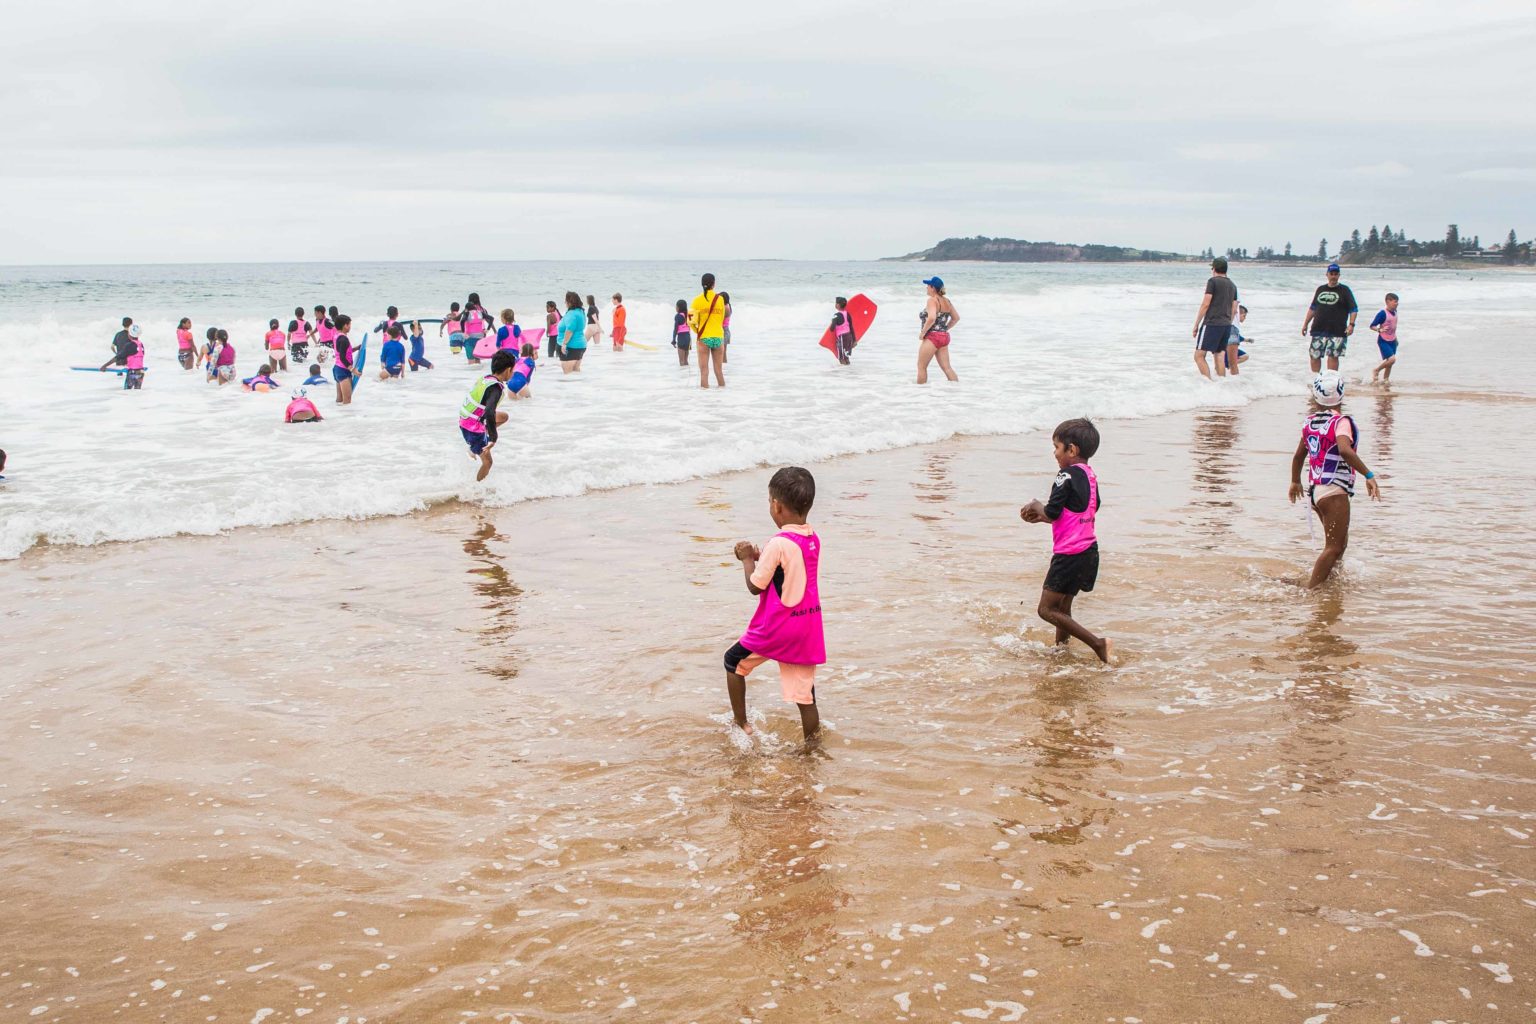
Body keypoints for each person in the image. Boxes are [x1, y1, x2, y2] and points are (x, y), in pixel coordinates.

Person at [724, 466, 825, 745]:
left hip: (778, 627)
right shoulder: (812, 539)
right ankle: (813, 748)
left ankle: (741, 724)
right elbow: (789, 573)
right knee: (806, 697)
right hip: (807, 626)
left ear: (777, 506)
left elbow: (756, 585)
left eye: (770, 501)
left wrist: (747, 559)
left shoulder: (778, 543)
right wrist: (761, 555)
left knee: (733, 662)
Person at [1019, 418, 1112, 664]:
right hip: (1088, 550)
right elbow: (1078, 512)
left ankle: (1097, 643)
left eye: (1057, 447)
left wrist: (1037, 507)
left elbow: (1052, 511)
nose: (1054, 453)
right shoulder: (1090, 476)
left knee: (1046, 610)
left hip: (1069, 554)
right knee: (1063, 608)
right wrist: (1044, 518)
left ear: (1072, 450)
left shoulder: (1065, 476)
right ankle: (1061, 651)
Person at [1289, 371, 1382, 588]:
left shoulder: (1310, 422)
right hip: (1333, 491)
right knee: (1333, 547)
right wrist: (1369, 475)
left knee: (1340, 543)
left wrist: (1295, 482)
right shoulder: (1341, 422)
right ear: (1342, 395)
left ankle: (1330, 582)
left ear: (1315, 396)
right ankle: (1311, 589)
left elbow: (1298, 455)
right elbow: (1344, 450)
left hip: (1317, 491)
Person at [459, 349, 517, 481]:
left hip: (466, 419)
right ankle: (476, 489)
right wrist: (493, 438)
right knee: (488, 462)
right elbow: (489, 412)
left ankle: (476, 445)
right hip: (472, 428)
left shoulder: (486, 379)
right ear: (508, 370)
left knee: (503, 417)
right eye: (513, 370)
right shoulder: (496, 388)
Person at [1301, 263, 1358, 373]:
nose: (1333, 276)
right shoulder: (1320, 289)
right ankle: (1316, 380)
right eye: (1331, 274)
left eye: (1336, 274)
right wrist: (1305, 324)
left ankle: (1331, 380)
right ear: (1326, 274)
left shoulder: (1345, 290)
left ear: (1339, 275)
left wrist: (1351, 325)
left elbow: (1354, 309)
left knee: (1333, 356)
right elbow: (1313, 308)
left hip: (1337, 330)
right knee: (1314, 355)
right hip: (1318, 328)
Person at [1192, 256, 1240, 379]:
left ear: (1214, 269)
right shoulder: (1232, 285)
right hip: (1226, 325)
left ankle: (1209, 384)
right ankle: (1221, 386)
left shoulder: (1212, 282)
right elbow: (1234, 309)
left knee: (1199, 355)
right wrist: (1227, 323)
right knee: (1219, 355)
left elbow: (1206, 304)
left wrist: (1196, 324)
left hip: (1212, 323)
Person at [917, 276, 959, 384]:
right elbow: (956, 318)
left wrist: (923, 333)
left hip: (932, 337)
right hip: (943, 337)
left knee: (921, 367)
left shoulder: (932, 300)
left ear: (933, 288)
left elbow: (931, 318)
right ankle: (958, 391)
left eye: (928, 286)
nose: (926, 287)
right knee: (947, 368)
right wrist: (944, 329)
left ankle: (919, 394)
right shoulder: (947, 301)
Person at [690, 273, 727, 388]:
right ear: (714, 284)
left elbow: (690, 321)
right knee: (719, 371)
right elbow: (722, 318)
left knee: (704, 372)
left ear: (702, 284)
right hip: (718, 337)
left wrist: (698, 331)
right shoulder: (720, 299)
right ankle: (723, 395)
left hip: (704, 338)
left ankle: (705, 401)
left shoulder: (696, 301)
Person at [1369, 292, 1400, 382]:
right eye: (1395, 301)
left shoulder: (1395, 312)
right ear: (1387, 301)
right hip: (1383, 340)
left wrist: (1396, 339)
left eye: (1397, 301)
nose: (1397, 303)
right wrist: (1379, 329)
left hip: (1393, 340)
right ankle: (1376, 370)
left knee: (1389, 363)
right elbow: (1372, 326)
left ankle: (1386, 380)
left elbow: (1393, 328)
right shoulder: (1382, 313)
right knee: (1392, 359)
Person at [558, 291, 587, 373]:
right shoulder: (580, 312)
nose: (565, 302)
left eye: (566, 301)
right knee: (575, 373)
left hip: (571, 346)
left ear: (570, 302)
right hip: (581, 345)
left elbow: (570, 330)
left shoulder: (572, 314)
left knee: (568, 375)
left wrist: (564, 344)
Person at [332, 315, 355, 404]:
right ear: (345, 325)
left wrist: (356, 348)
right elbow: (342, 357)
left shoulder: (336, 336)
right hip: (343, 370)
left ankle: (338, 415)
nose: (350, 327)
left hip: (337, 369)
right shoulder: (343, 339)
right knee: (347, 401)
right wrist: (352, 370)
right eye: (349, 324)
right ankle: (346, 417)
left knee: (339, 400)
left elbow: (342, 352)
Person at [1222, 304, 1252, 370]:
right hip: (1227, 348)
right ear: (1238, 314)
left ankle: (1230, 365)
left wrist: (1247, 340)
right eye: (1244, 316)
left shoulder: (1232, 325)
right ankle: (1231, 364)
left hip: (1224, 348)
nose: (1245, 318)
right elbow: (1234, 337)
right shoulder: (1233, 325)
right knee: (1244, 357)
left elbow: (1237, 337)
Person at [830, 296, 856, 365]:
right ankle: (848, 372)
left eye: (836, 303)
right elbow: (851, 327)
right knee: (846, 357)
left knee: (841, 357)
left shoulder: (836, 315)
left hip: (842, 338)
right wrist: (854, 340)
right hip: (849, 337)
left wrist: (832, 321)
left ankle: (843, 374)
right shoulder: (848, 314)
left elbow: (832, 329)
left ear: (838, 305)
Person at [464, 294, 489, 364]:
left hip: (470, 335)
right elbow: (489, 320)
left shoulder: (468, 309)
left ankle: (471, 371)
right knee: (477, 356)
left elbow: (461, 319)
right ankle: (477, 370)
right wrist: (493, 330)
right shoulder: (483, 309)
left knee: (470, 355)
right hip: (481, 333)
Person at [672, 299, 692, 365]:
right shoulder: (689, 315)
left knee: (681, 361)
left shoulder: (678, 316)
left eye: (676, 306)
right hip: (688, 338)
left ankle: (682, 375)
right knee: (686, 361)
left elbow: (675, 329)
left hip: (681, 338)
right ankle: (686, 374)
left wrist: (673, 340)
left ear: (678, 307)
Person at [720, 292, 733, 362]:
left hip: (724, 331)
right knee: (723, 353)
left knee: (722, 353)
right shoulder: (728, 306)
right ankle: (724, 370)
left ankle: (724, 370)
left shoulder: (725, 307)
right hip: (726, 330)